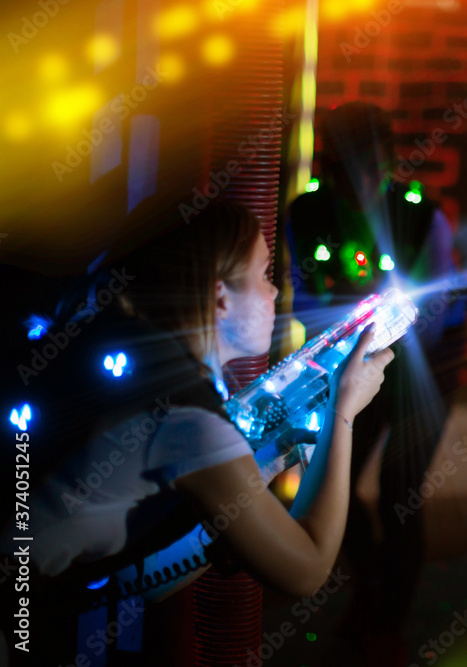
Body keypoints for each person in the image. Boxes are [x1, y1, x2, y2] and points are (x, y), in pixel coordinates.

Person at [0, 200, 393, 666]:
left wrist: (257, 470)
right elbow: (306, 570)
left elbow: (139, 579)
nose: (275, 292)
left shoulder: (136, 360)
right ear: (221, 296)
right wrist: (343, 412)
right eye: (265, 274)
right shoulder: (189, 421)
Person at [285, 101, 461, 665]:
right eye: (347, 161)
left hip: (424, 369)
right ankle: (366, 588)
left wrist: (396, 357)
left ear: (386, 159)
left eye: (371, 160)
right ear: (331, 160)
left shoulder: (422, 216)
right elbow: (308, 298)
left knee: (399, 497)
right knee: (330, 478)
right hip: (349, 364)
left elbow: (441, 309)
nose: (362, 176)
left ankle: (388, 626)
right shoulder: (306, 212)